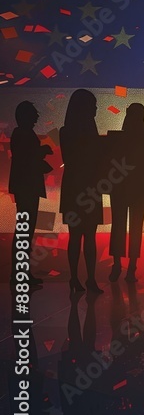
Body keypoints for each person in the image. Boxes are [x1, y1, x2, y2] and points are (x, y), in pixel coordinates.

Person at [60, 89, 104, 294]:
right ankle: (89, 279)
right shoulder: (88, 133)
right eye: (93, 105)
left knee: (76, 236)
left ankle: (76, 278)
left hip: (74, 188)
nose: (95, 109)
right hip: (89, 188)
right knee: (88, 236)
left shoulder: (65, 131)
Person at [9, 101, 52, 287]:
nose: (37, 117)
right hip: (28, 188)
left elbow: (24, 158)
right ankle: (20, 273)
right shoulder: (23, 134)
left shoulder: (20, 133)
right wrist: (42, 151)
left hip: (25, 188)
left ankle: (21, 273)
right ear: (26, 115)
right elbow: (27, 159)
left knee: (24, 231)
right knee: (25, 232)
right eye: (34, 114)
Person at [107, 103, 144, 283]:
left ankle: (118, 265)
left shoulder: (117, 139)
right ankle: (131, 267)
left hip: (119, 186)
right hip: (138, 187)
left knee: (118, 225)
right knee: (135, 227)